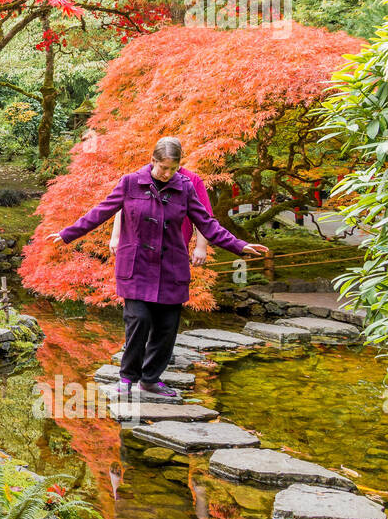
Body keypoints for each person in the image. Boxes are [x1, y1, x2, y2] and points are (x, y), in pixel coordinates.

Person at [46, 137, 268, 398]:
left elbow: (207, 224)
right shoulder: (130, 183)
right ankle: (127, 377)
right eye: (163, 167)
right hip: (137, 265)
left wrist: (239, 245)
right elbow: (101, 211)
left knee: (166, 326)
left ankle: (151, 379)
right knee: (138, 319)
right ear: (153, 161)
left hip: (171, 267)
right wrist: (68, 233)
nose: (167, 173)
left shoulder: (185, 187)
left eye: (173, 169)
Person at [110, 165, 211, 267]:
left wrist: (201, 247)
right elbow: (123, 206)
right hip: (139, 252)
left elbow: (203, 217)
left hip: (175, 254)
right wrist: (116, 236)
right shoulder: (140, 177)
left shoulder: (192, 179)